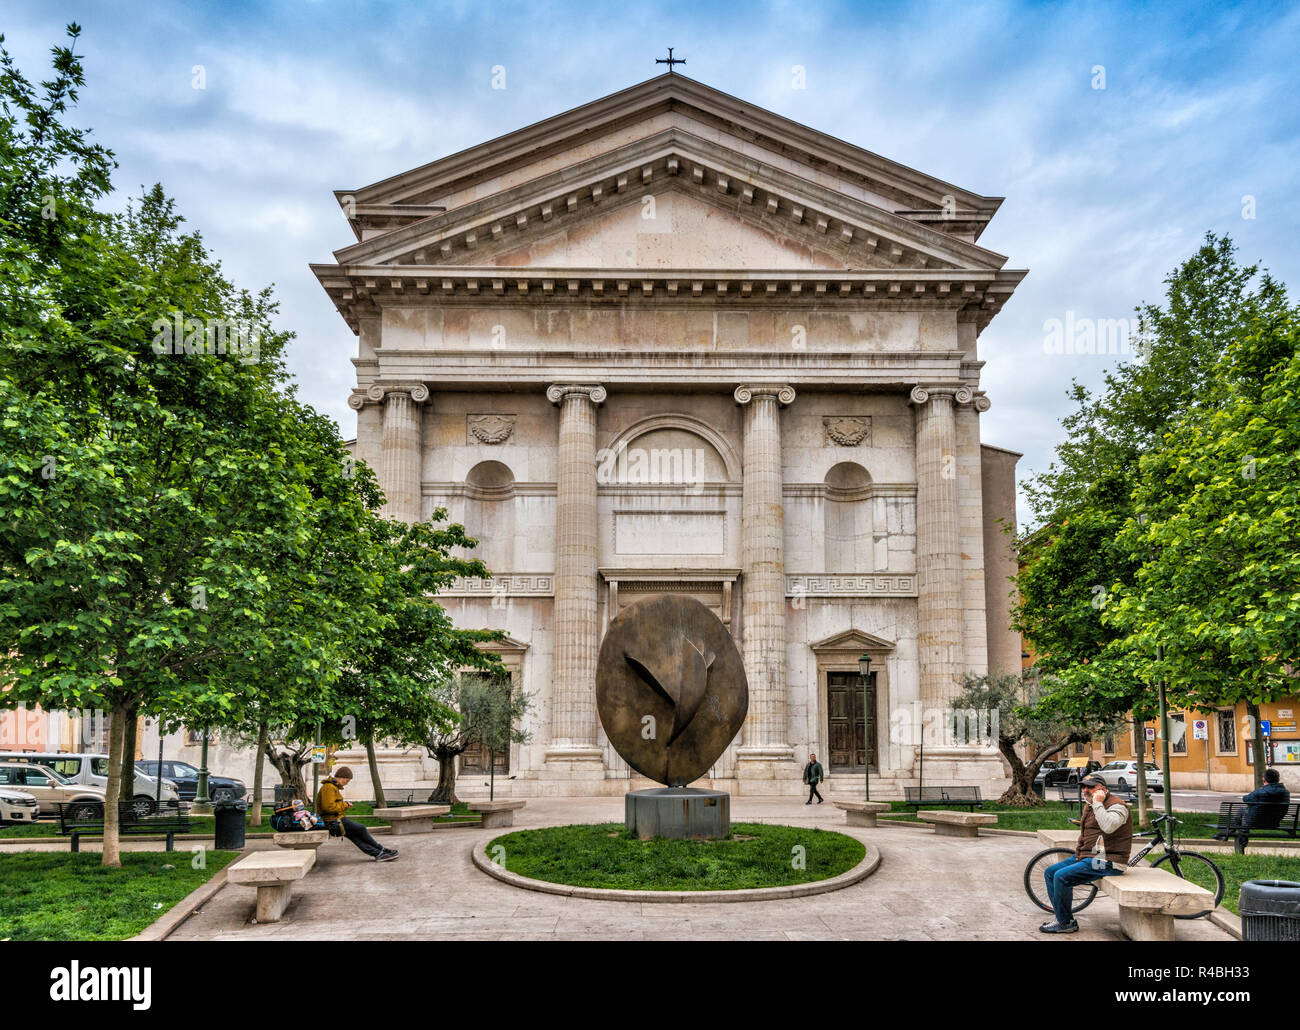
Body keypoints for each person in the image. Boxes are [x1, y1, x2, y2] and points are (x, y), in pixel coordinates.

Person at [1039, 774, 1131, 934]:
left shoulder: (1117, 806)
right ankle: (1062, 917)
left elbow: (1109, 826)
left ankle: (1064, 922)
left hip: (1107, 860)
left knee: (1061, 876)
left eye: (1090, 786)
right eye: (1084, 786)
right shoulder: (1091, 805)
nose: (1085, 790)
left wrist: (1097, 803)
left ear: (1102, 789)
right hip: (1088, 856)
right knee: (1050, 872)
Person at [316, 766, 398, 862]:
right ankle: (381, 850)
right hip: (333, 821)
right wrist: (345, 805)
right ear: (343, 777)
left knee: (355, 837)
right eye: (347, 781)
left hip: (334, 820)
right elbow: (329, 807)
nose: (347, 783)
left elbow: (332, 804)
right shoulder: (329, 788)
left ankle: (378, 853)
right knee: (361, 829)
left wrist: (343, 805)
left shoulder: (332, 787)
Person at [1217, 768, 1290, 849]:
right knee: (1244, 816)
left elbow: (1246, 799)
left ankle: (1228, 834)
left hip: (1255, 822)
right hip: (1274, 823)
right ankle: (1228, 833)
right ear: (1278, 779)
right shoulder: (1285, 793)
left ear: (1264, 779)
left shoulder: (1260, 792)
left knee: (1242, 812)